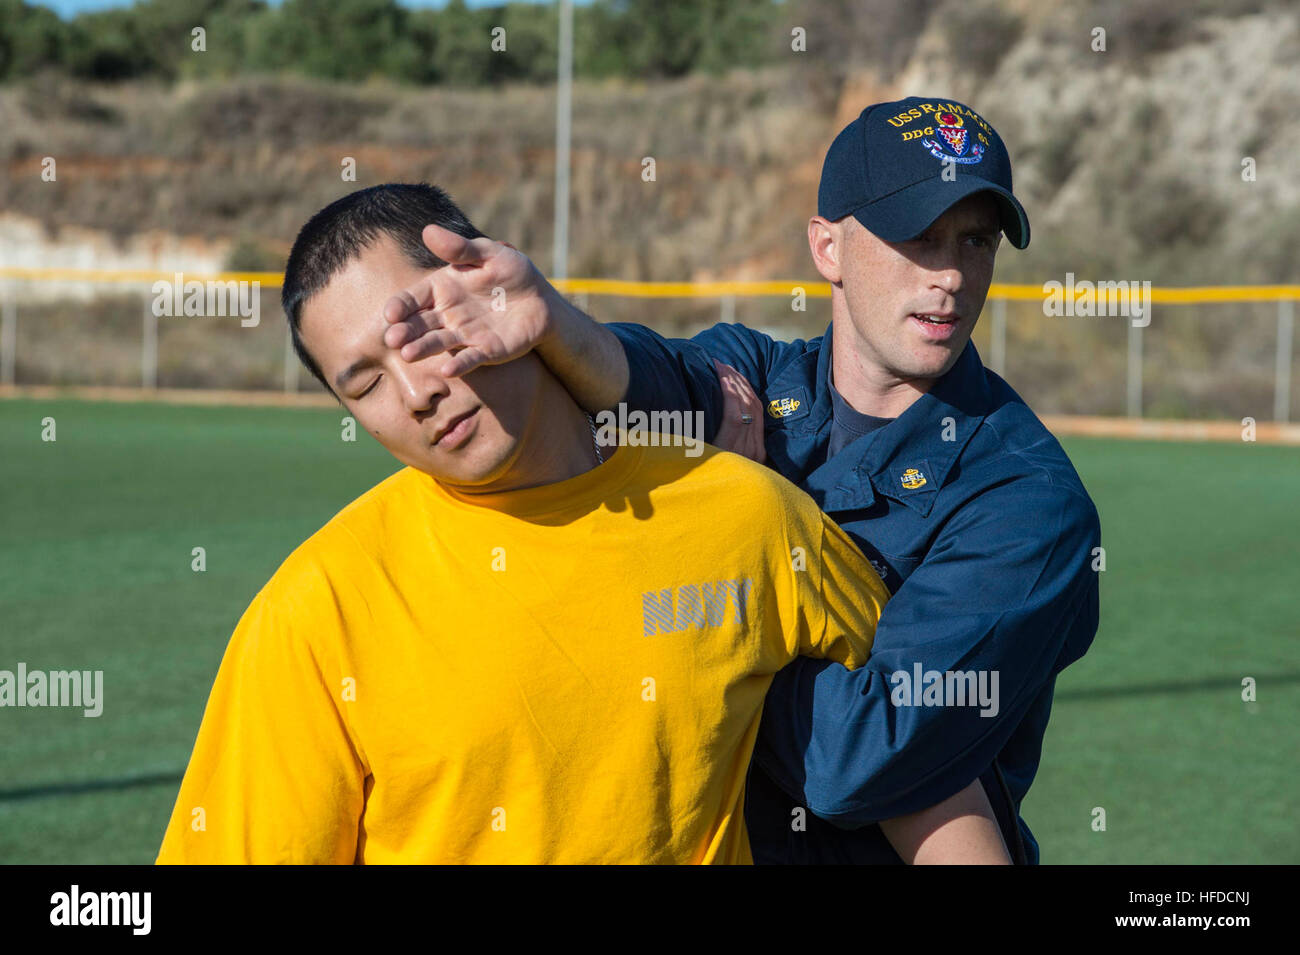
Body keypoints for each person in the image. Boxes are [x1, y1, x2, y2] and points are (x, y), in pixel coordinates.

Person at [155, 182, 1014, 864]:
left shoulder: (748, 514)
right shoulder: (316, 611)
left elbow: (919, 761)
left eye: (417, 333)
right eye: (364, 383)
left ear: (490, 283)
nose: (415, 391)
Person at [377, 97, 1102, 864]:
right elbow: (642, 384)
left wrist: (729, 537)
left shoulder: (1027, 503)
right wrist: (554, 322)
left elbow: (858, 759)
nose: (952, 274)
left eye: (977, 240)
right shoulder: (756, 374)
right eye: (918, 237)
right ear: (827, 247)